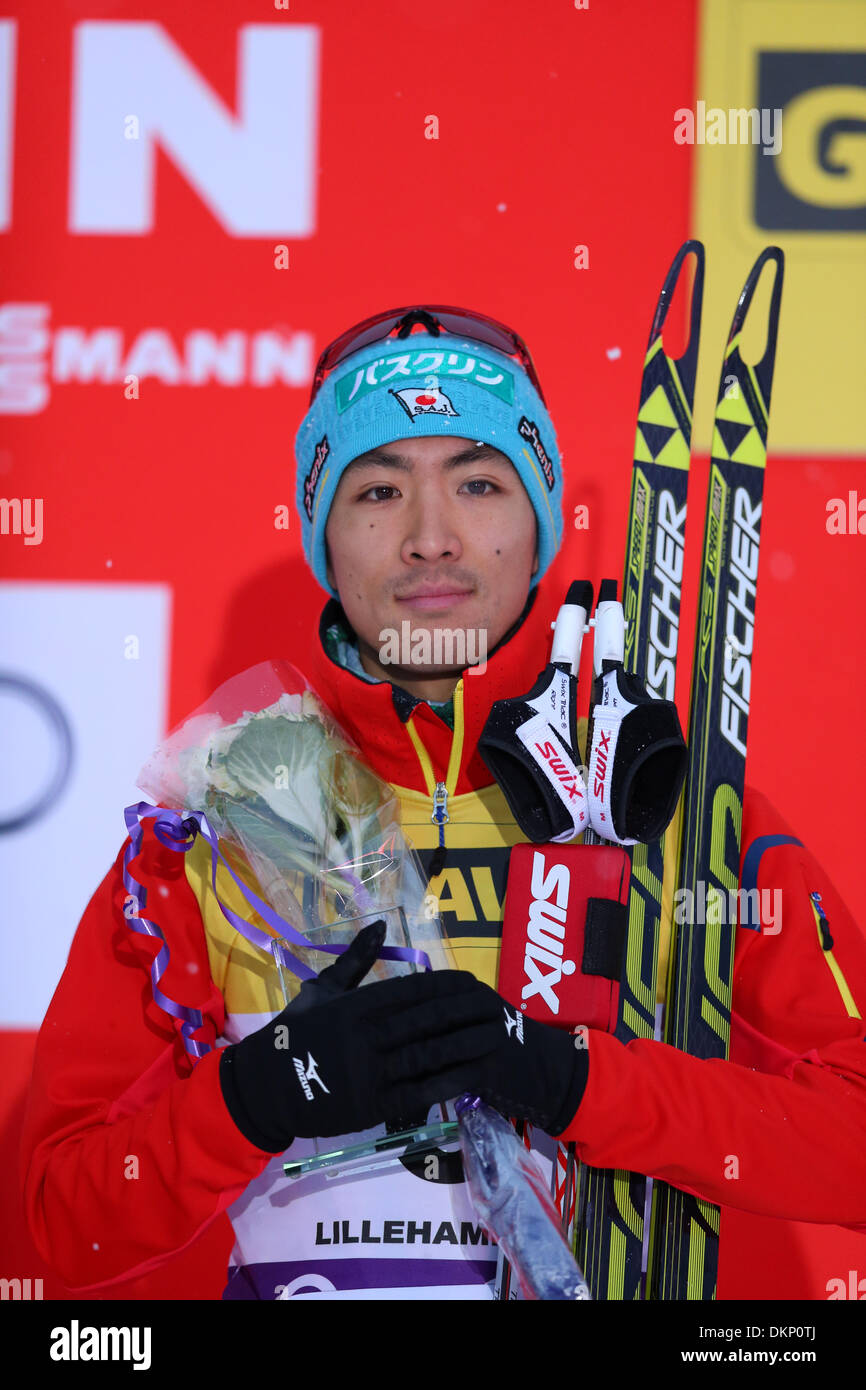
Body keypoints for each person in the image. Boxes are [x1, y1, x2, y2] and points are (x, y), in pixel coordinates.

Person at [21, 306, 866, 1301]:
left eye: (477, 483)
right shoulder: (217, 827)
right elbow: (60, 1226)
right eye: (377, 490)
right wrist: (253, 1099)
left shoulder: (675, 814)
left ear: (537, 519)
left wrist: (578, 1083)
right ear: (322, 534)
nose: (429, 538)